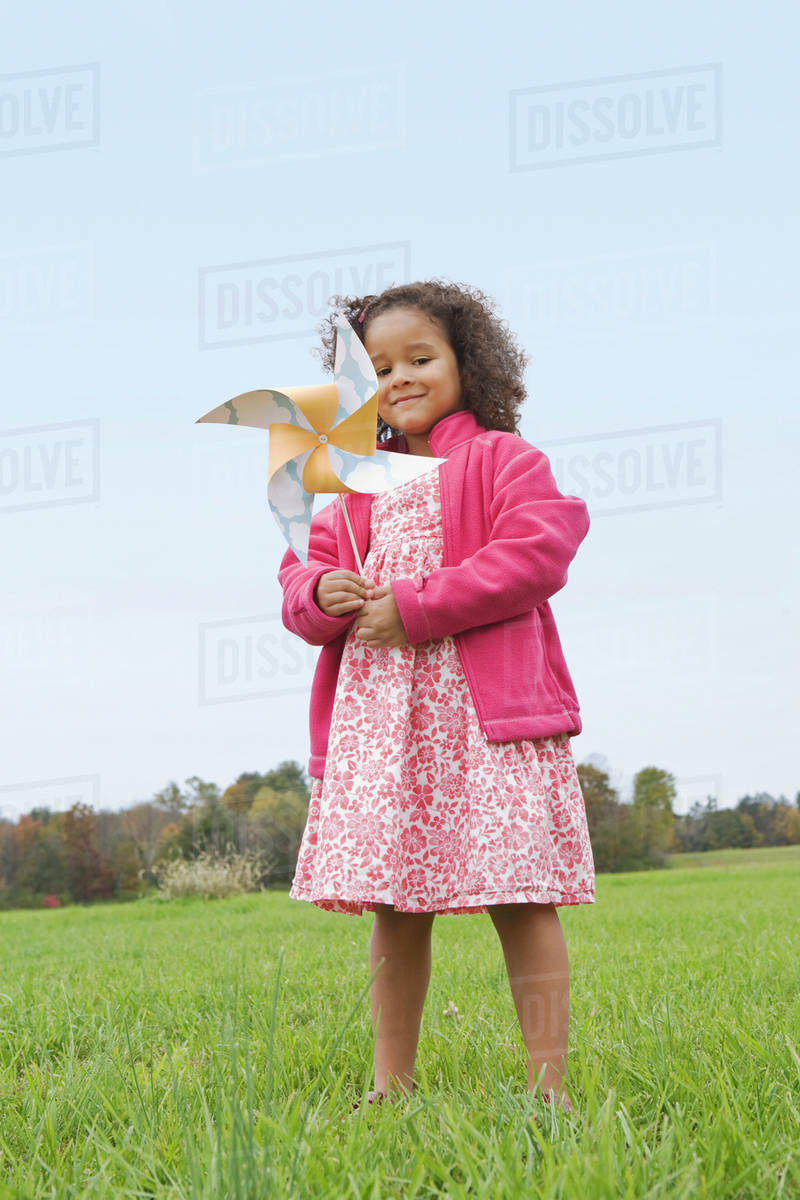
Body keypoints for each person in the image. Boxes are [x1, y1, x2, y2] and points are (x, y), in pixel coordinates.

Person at [278, 279, 595, 1116]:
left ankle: (549, 1090)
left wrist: (413, 607)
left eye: (421, 357)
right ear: (354, 387)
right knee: (393, 902)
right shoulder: (347, 486)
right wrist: (322, 592)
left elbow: (539, 553)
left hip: (487, 720)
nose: (401, 377)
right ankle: (391, 1087)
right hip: (387, 725)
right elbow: (294, 587)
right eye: (379, 367)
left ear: (467, 361)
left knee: (522, 895)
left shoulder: (503, 459)